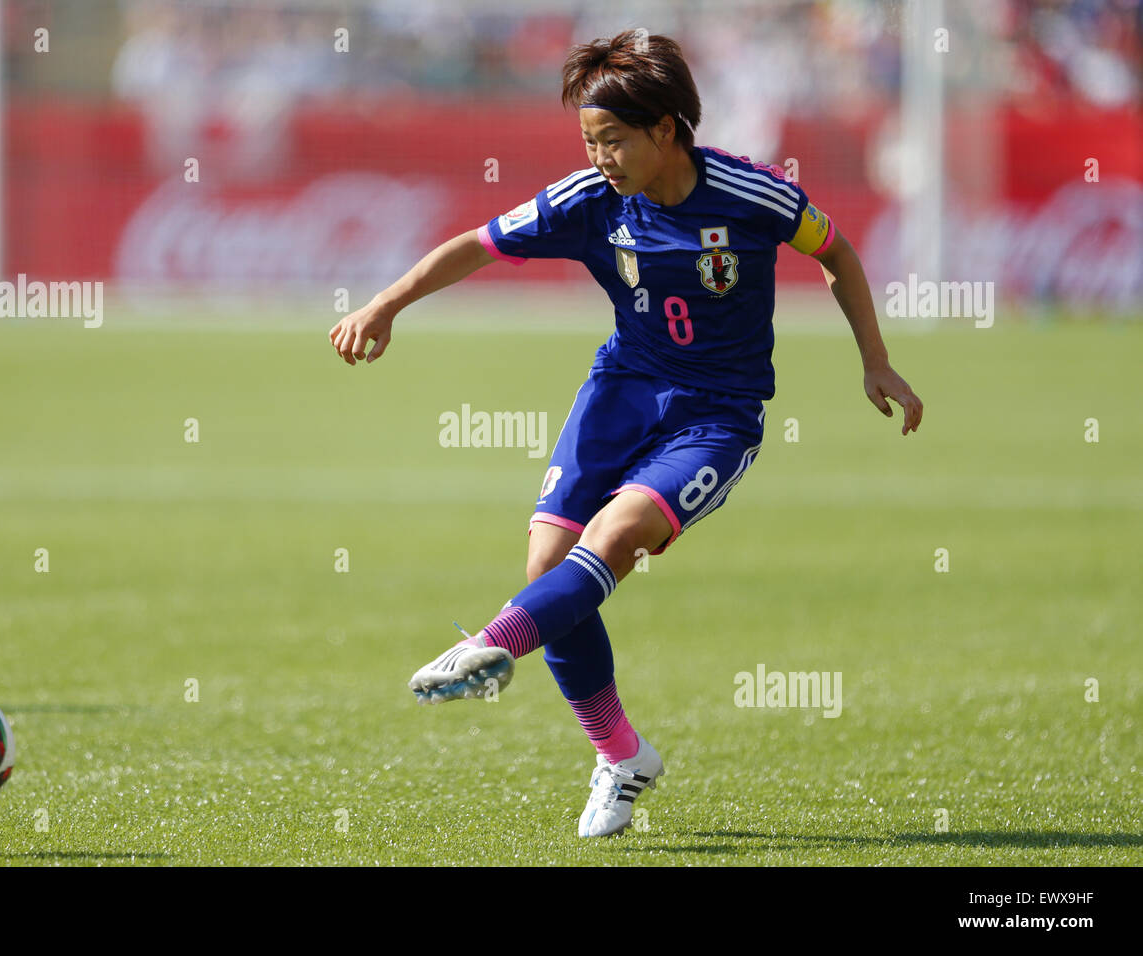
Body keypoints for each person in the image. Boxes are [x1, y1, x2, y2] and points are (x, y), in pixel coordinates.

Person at [329, 30, 923, 838]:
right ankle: (622, 756)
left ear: (667, 130)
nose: (600, 156)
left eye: (612, 139)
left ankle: (491, 643)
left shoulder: (752, 196)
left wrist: (876, 361)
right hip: (621, 393)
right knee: (546, 561)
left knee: (616, 533)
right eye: (588, 140)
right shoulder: (590, 201)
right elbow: (478, 244)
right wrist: (385, 305)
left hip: (719, 414)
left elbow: (838, 252)